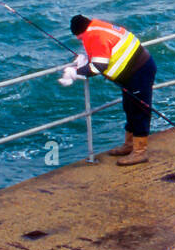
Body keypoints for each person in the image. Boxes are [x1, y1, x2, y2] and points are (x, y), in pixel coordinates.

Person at [58, 15, 157, 166]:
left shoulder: (94, 36)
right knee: (129, 108)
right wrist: (84, 60)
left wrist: (76, 72)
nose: (79, 40)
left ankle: (140, 152)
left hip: (139, 72)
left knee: (140, 110)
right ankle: (129, 144)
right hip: (130, 75)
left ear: (80, 32)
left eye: (78, 37)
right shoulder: (97, 26)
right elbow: (104, 52)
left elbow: (99, 66)